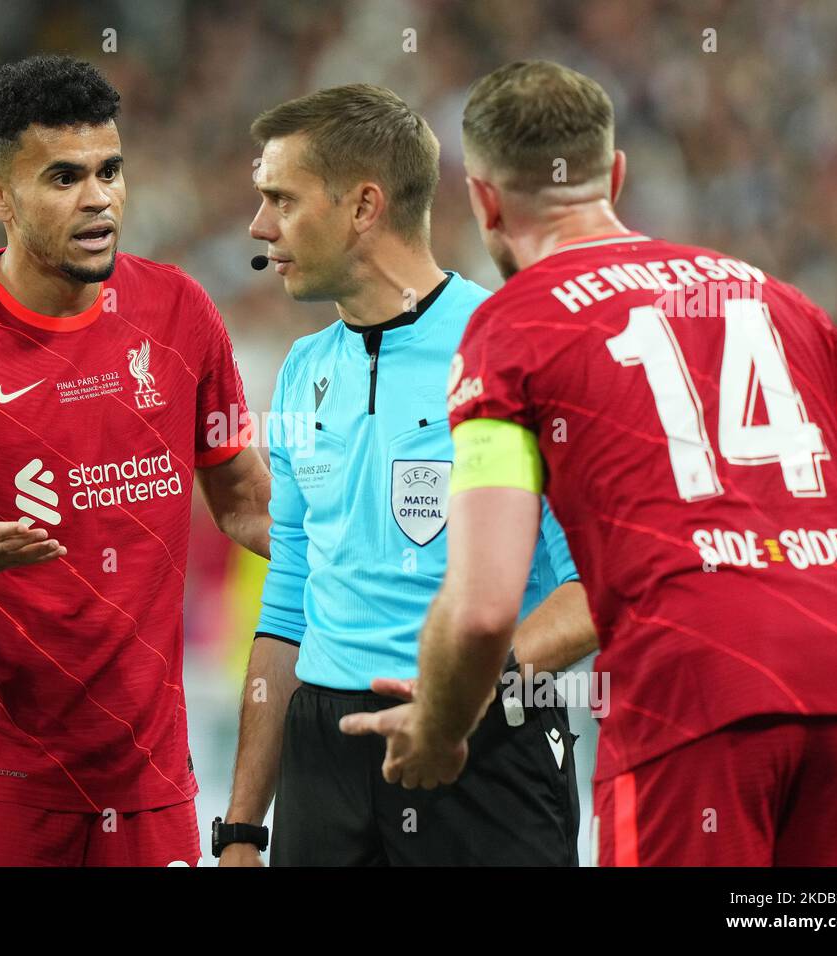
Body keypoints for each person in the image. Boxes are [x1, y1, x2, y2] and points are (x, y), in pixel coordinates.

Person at [342, 60, 837, 866]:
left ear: (485, 199)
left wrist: (438, 731)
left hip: (695, 688)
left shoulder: (512, 329)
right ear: (614, 174)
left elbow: (483, 603)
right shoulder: (775, 298)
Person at [0, 54, 271, 867]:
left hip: (150, 779)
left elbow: (247, 502)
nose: (100, 198)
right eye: (65, 178)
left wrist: (356, 553)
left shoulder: (179, 311)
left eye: (111, 171)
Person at [216, 84, 595, 867]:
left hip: (484, 743)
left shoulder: (517, 346)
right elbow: (288, 604)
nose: (259, 229)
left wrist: (461, 693)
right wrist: (245, 828)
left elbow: (596, 583)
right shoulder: (301, 370)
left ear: (362, 207)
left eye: (280, 200)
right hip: (322, 754)